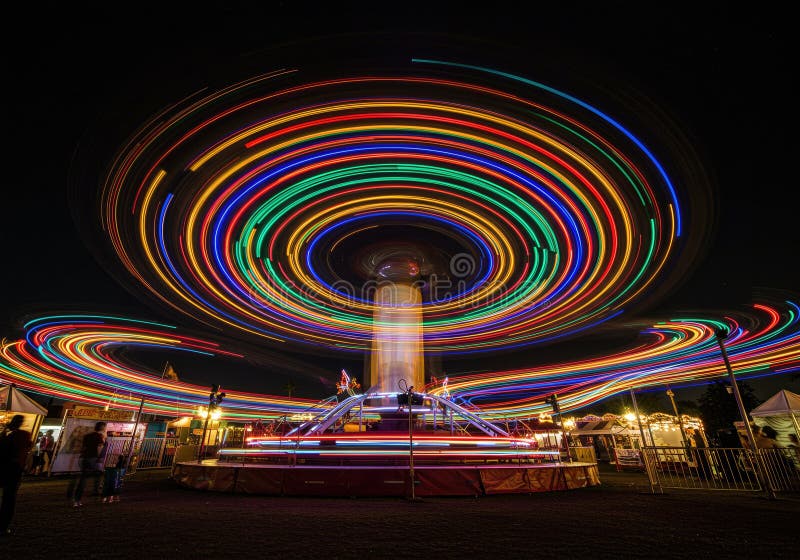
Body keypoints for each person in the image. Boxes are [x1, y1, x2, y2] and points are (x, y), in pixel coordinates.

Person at [0, 415, 33, 536]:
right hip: (15, 469)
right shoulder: (25, 435)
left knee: (8, 497)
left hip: (5, 467)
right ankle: (4, 525)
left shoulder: (9, 436)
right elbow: (29, 447)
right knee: (9, 498)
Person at [70, 421, 107, 507]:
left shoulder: (87, 436)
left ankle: (76, 500)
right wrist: (98, 458)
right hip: (92, 458)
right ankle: (100, 494)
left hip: (84, 458)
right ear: (103, 428)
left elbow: (83, 447)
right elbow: (99, 448)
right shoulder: (100, 437)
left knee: (83, 478)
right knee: (101, 474)